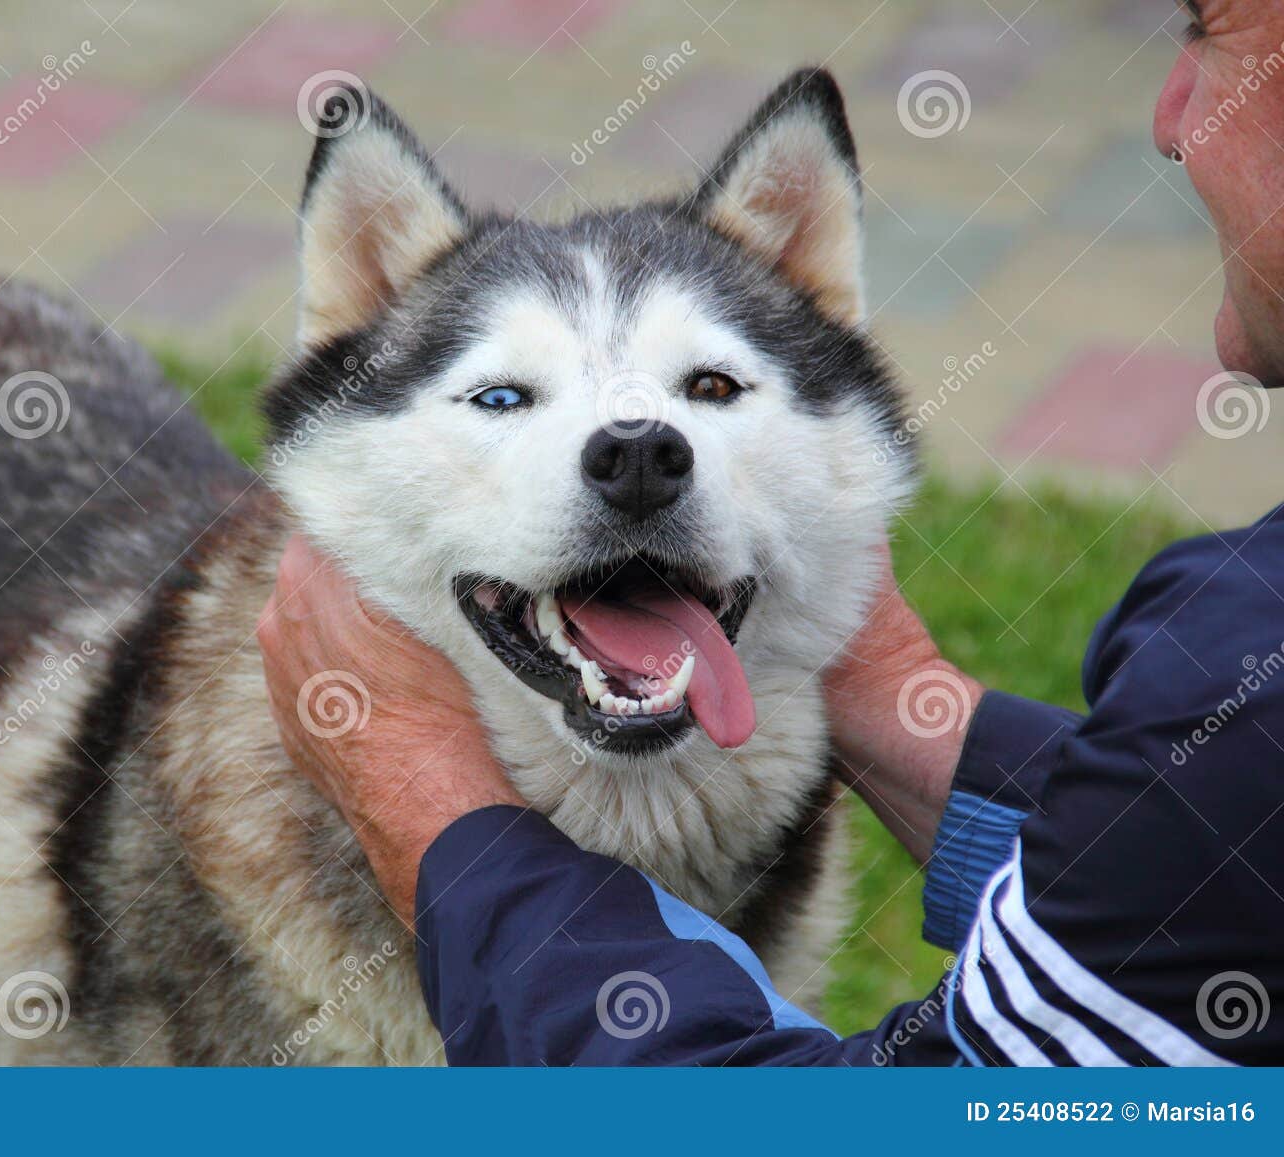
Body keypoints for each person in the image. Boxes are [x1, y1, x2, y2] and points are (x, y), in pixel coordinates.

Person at [257, 0, 1284, 1066]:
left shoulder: (1250, 692)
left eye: (710, 386)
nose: (1168, 112)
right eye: (502, 396)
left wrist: (434, 817)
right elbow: (1192, 888)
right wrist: (888, 688)